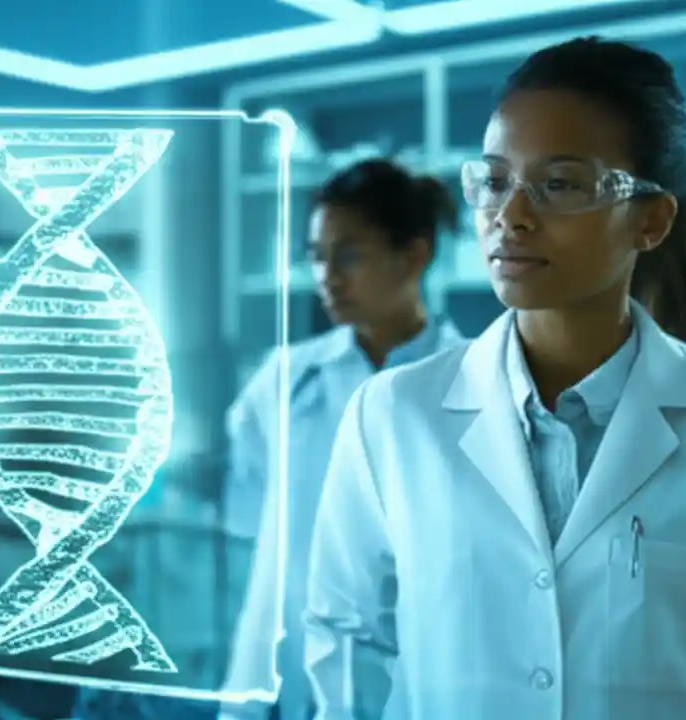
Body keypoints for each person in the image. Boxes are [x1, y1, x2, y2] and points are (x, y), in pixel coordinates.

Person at [303, 37, 686, 720]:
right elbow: (350, 637)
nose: (511, 215)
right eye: (494, 181)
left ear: (650, 220)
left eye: (559, 184)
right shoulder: (392, 414)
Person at [72, 158, 464, 720]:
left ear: (414, 255)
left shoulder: (472, 383)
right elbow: (249, 518)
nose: (328, 275)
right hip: (286, 670)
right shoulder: (286, 380)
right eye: (317, 256)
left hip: (424, 672)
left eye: (349, 255)